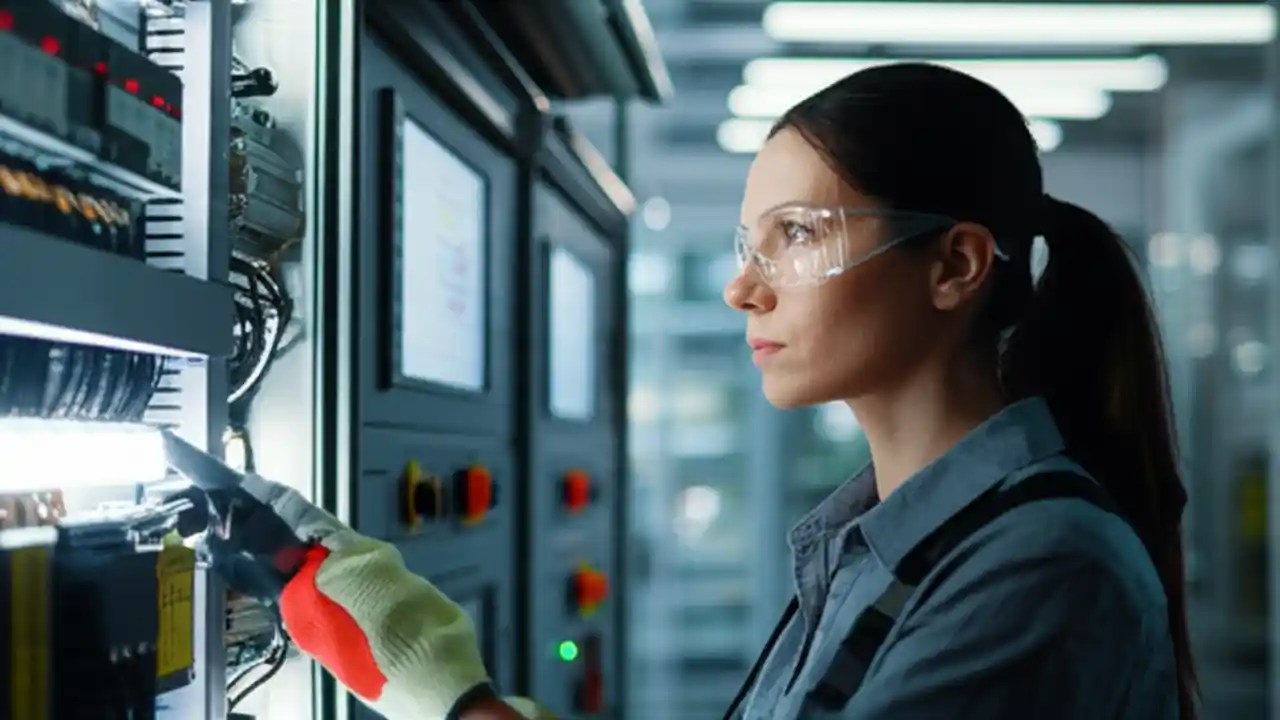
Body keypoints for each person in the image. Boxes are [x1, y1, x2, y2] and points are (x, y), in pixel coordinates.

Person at [175, 63, 1195, 720]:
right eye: (748, 242)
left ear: (954, 266)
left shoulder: (1042, 566)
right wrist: (411, 652)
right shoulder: (877, 543)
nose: (741, 286)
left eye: (795, 236)